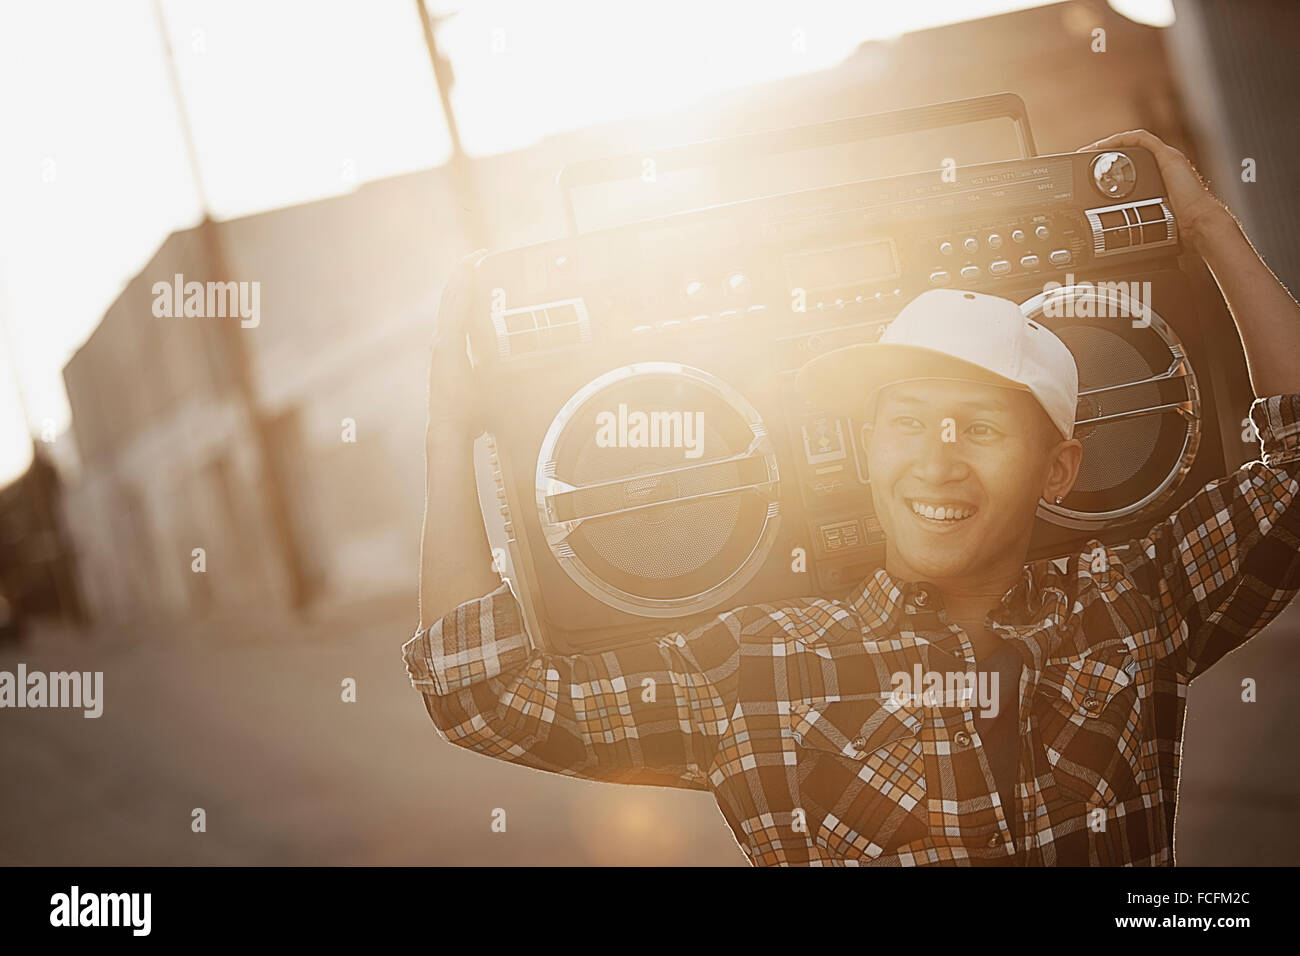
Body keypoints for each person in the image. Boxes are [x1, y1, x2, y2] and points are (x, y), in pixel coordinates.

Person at [404, 130, 1300, 865]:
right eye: (906, 424)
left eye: (981, 429)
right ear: (865, 448)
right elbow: (480, 692)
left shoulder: (1130, 603)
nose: (938, 461)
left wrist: (1209, 226)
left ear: (1059, 469)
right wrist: (452, 429)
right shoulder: (750, 672)